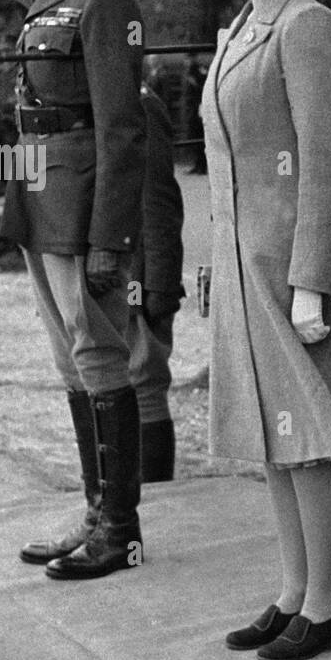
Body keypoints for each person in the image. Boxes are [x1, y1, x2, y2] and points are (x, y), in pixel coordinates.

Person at [195, 0, 331, 660]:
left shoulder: (306, 24)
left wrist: (312, 280)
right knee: (273, 439)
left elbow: (329, 161)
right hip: (244, 271)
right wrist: (213, 266)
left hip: (288, 275)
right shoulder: (241, 28)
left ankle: (330, 602)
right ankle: (295, 592)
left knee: (306, 438)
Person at [0, 0, 148, 581]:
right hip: (40, 193)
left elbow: (123, 128)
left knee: (97, 352)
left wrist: (112, 236)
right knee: (68, 359)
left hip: (82, 201)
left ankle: (120, 527)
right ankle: (95, 512)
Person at [129, 84, 185, 482]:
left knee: (143, 382)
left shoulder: (141, 103)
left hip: (137, 271)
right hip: (108, 266)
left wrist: (159, 282)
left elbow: (158, 199)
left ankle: (155, 505)